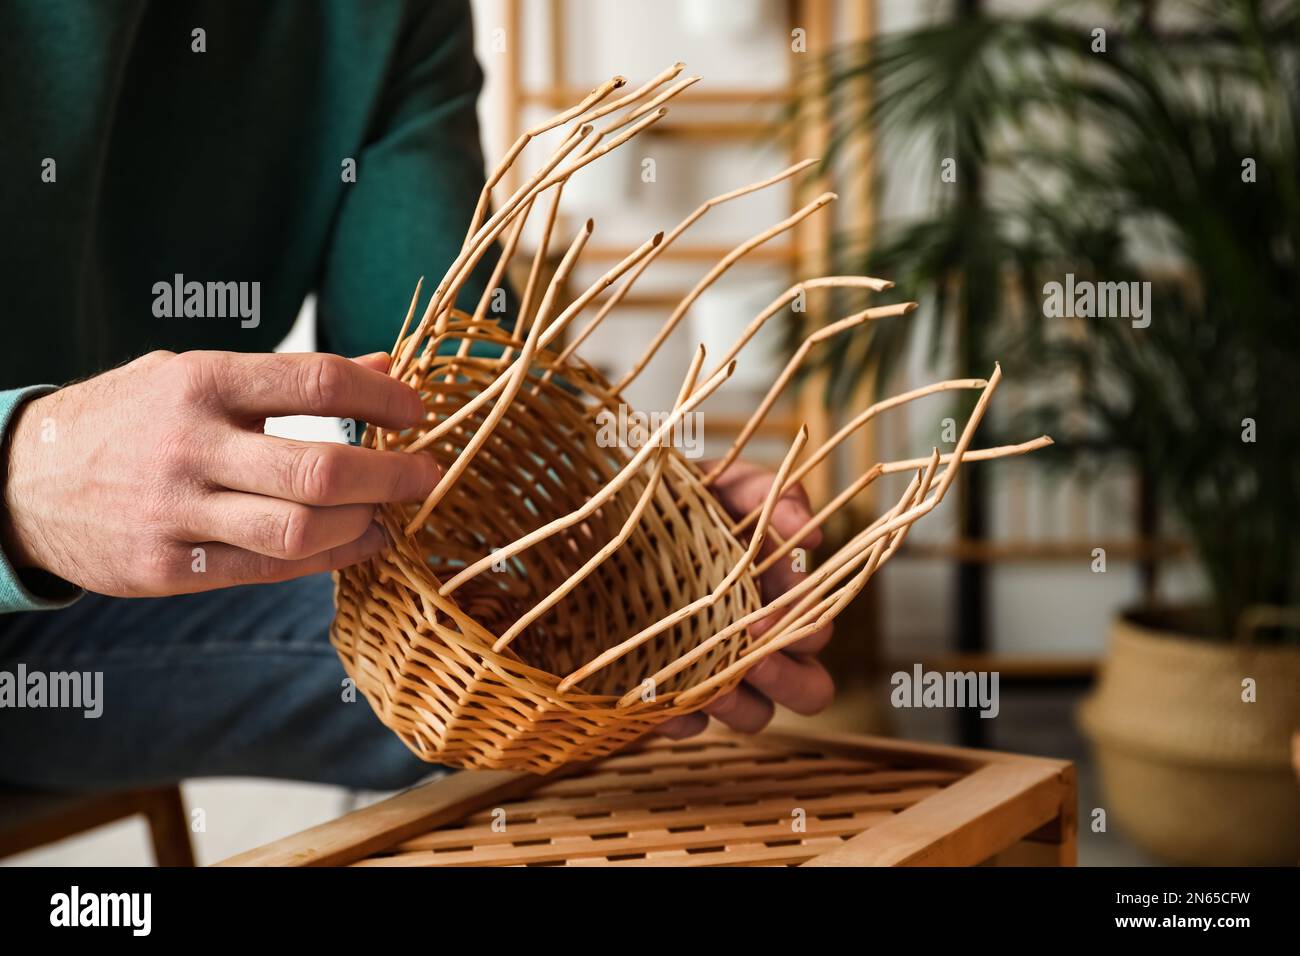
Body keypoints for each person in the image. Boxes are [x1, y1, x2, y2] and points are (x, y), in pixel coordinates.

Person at [0, 1, 832, 793]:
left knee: (575, 652)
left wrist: (621, 513)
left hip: (114, 597)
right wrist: (23, 474)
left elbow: (446, 366)